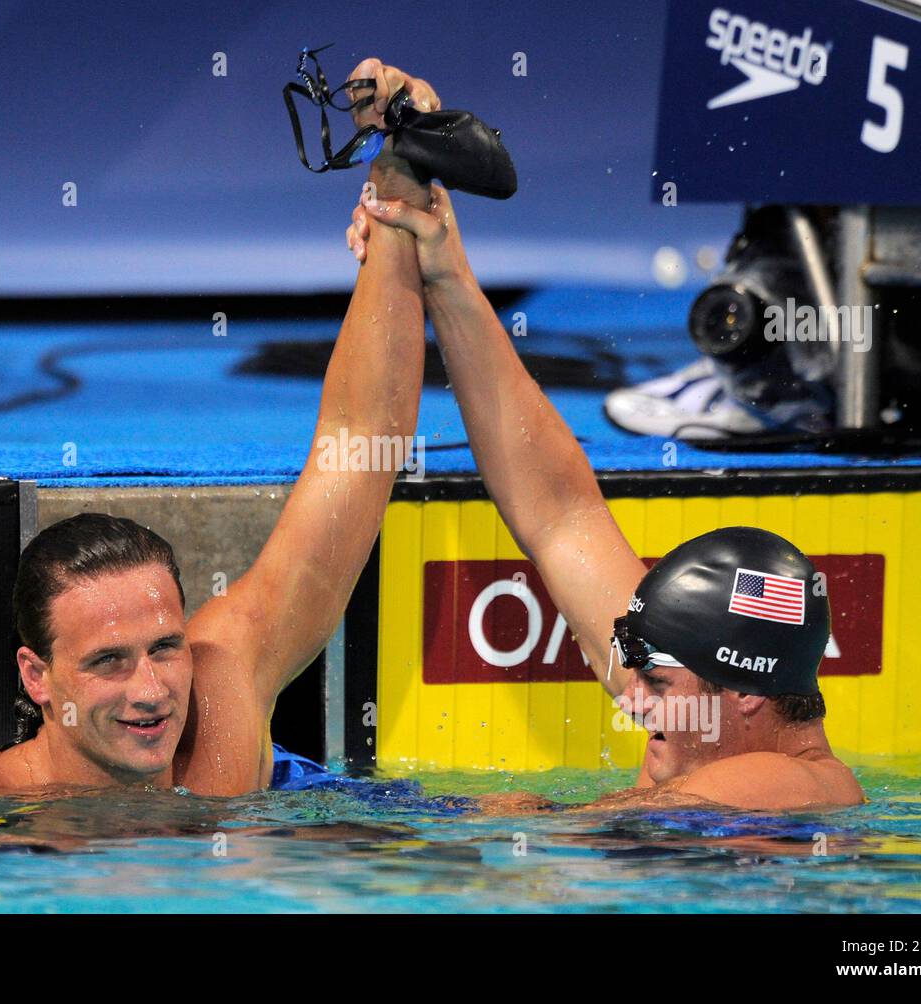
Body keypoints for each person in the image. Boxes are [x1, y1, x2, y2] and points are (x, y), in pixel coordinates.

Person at [343, 94, 864, 810]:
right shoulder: (707, 707)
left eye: (655, 683)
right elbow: (559, 513)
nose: (632, 699)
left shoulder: (797, 787)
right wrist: (446, 270)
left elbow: (589, 834)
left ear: (745, 694)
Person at [0, 61, 444, 797]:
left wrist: (399, 183)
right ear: (37, 677)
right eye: (109, 661)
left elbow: (359, 447)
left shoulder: (225, 697)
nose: (152, 692)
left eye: (166, 648)